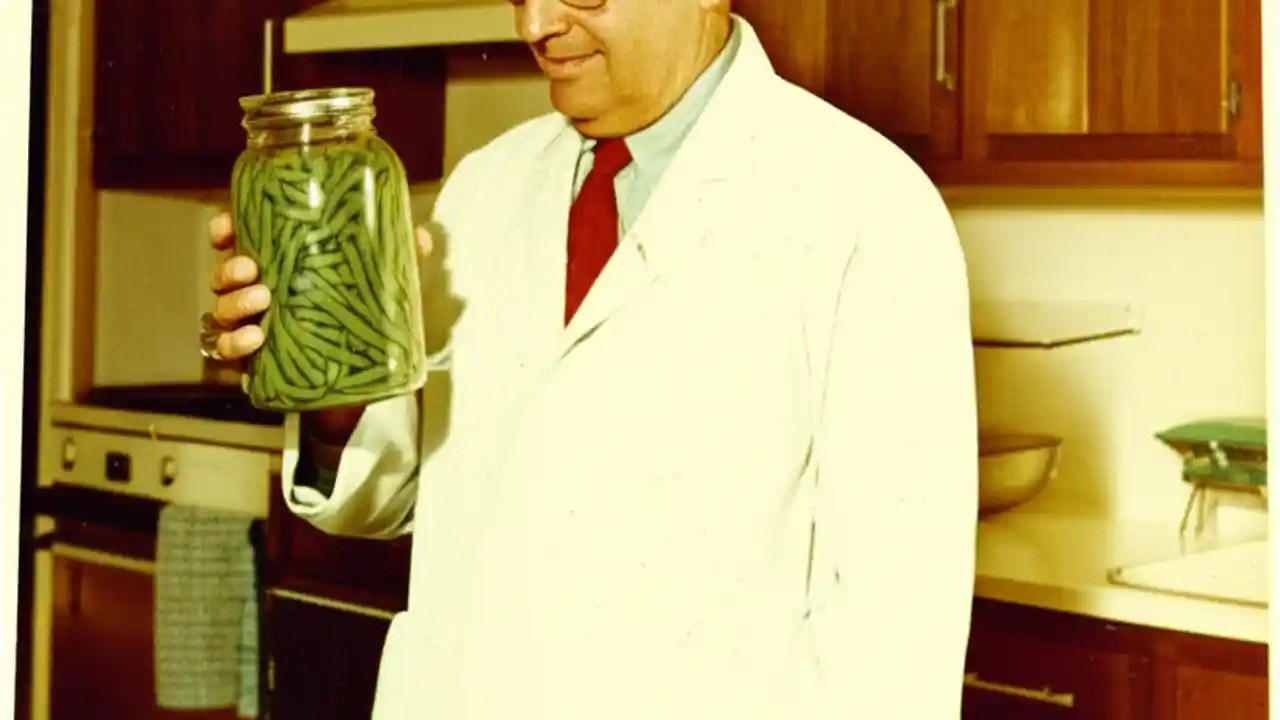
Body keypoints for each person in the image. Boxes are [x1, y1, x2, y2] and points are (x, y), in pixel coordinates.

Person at [205, 0, 979, 717]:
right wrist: (329, 388)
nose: (536, 23)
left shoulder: (865, 206)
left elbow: (896, 639)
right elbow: (398, 495)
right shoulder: (484, 186)